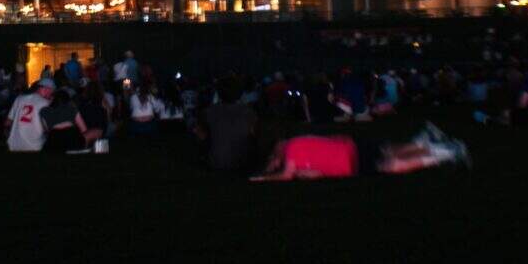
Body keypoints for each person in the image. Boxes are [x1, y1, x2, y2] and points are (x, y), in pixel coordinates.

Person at [251, 124, 469, 181]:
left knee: (393, 164)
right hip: (350, 152)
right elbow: (315, 169)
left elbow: (286, 175)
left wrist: (264, 177)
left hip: (350, 159)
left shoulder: (291, 148)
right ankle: (430, 142)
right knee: (392, 153)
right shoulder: (296, 146)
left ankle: (447, 152)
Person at [197, 77, 257, 172]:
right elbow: (252, 137)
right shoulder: (248, 112)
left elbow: (201, 137)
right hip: (241, 163)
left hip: (216, 163)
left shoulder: (208, 112)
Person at [6, 77, 56, 152]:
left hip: (14, 145)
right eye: (52, 92)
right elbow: (49, 128)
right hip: (35, 146)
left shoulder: (19, 98)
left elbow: (7, 122)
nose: (51, 95)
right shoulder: (45, 103)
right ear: (47, 89)